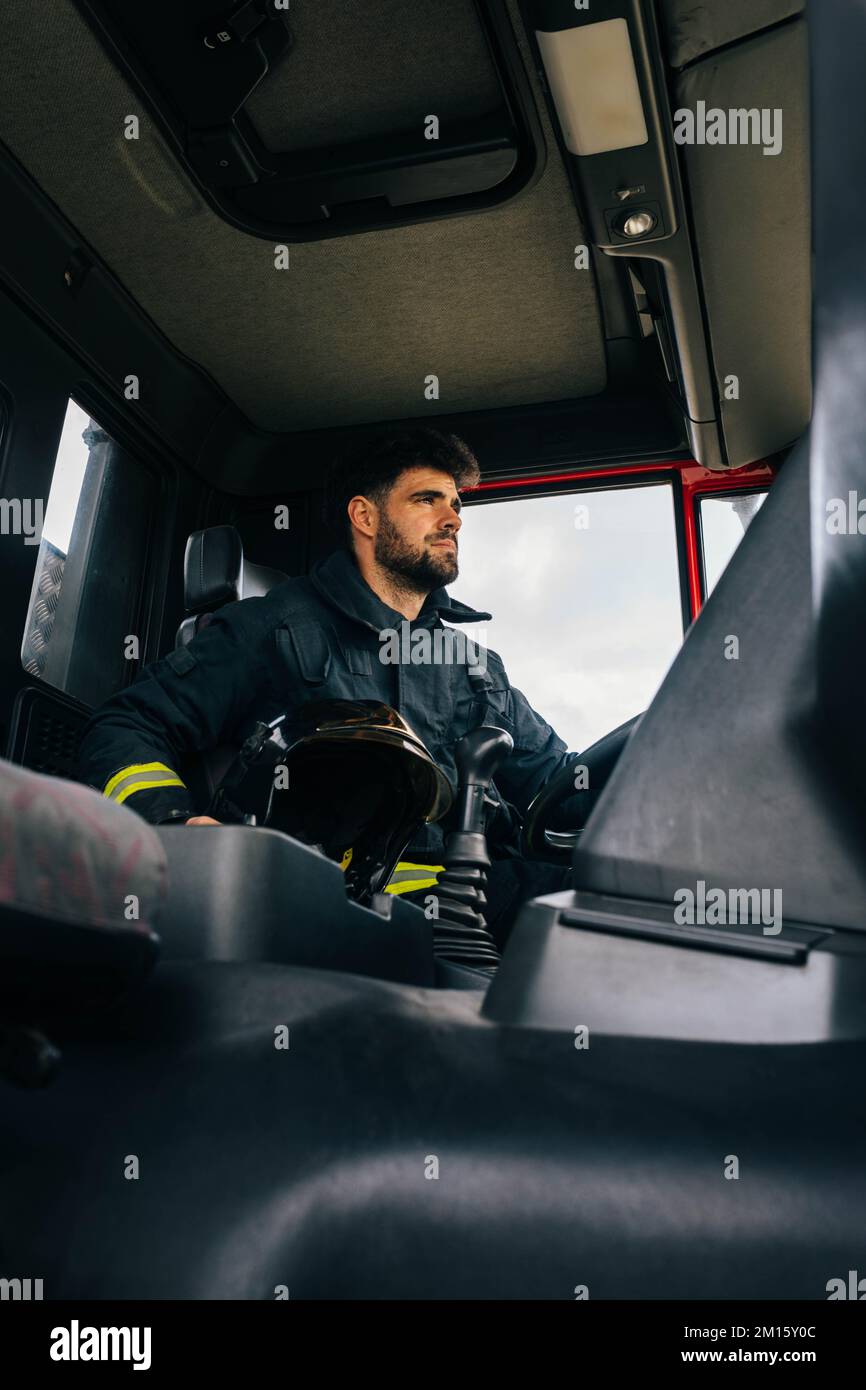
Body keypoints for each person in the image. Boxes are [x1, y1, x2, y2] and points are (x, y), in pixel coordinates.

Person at [77, 428, 582, 949]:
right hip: (337, 909)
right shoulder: (273, 628)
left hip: (477, 899)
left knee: (616, 895)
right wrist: (173, 824)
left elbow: (558, 782)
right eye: (426, 499)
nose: (453, 518)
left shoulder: (475, 666)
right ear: (364, 517)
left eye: (455, 505)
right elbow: (124, 725)